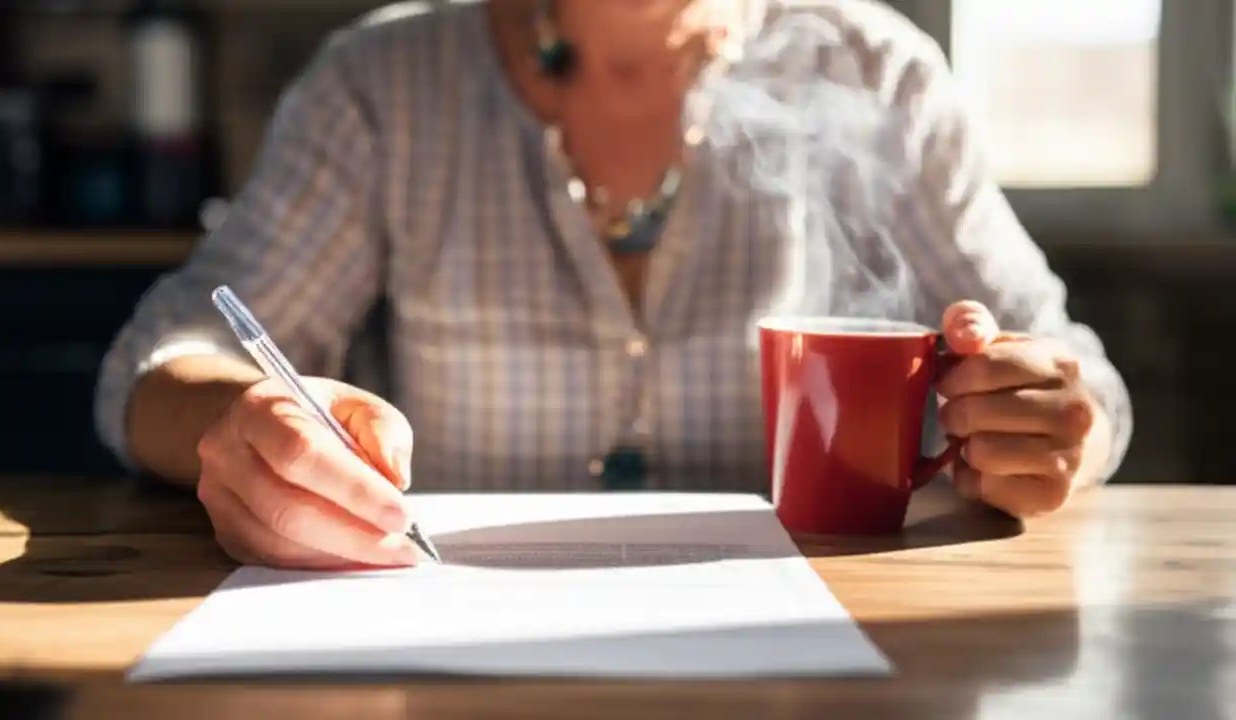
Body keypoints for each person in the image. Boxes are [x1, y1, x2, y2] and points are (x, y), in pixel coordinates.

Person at [95, 0, 1132, 569]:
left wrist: (1046, 426)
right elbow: (163, 359)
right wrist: (242, 421)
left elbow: (1079, 379)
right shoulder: (382, 84)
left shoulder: (876, 73)